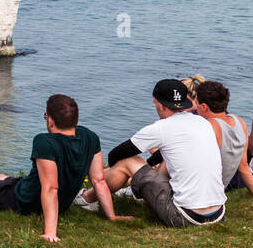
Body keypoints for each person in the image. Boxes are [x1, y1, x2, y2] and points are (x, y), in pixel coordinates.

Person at [0, 93, 126, 242]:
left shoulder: (45, 141)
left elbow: (51, 188)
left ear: (51, 121)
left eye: (46, 116)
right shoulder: (90, 137)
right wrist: (112, 216)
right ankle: (1, 183)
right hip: (60, 205)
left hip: (23, 202)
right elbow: (99, 180)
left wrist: (50, 233)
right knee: (1, 177)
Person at [77, 79, 226, 226]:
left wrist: (119, 172)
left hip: (185, 217)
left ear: (160, 105)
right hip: (218, 214)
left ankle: (86, 199)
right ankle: (107, 194)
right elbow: (164, 156)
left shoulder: (161, 128)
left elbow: (116, 154)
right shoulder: (203, 123)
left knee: (127, 161)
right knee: (171, 158)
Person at [195, 80, 253, 196]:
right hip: (220, 188)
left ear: (204, 107)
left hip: (201, 192)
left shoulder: (209, 127)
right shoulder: (239, 122)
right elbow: (243, 166)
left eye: (197, 104)